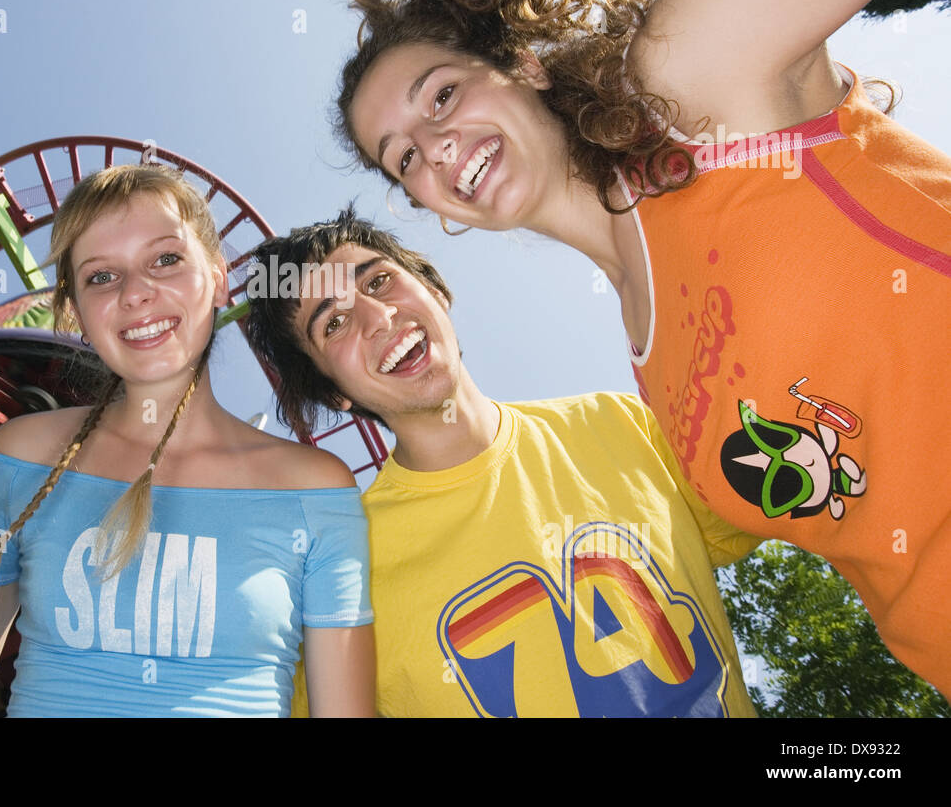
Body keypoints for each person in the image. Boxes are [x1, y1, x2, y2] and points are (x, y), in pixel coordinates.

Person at [332, 0, 951, 693]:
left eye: (440, 96)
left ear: (523, 64)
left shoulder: (695, 97)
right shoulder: (650, 376)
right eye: (402, 157)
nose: (433, 147)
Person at [0, 165, 374, 717]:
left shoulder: (315, 489)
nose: (137, 293)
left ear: (218, 279)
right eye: (102, 276)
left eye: (166, 260)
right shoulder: (21, 457)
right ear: (75, 311)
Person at [244, 208, 759, 717]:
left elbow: (802, 492)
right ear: (334, 394)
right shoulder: (338, 576)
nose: (378, 318)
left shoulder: (623, 426)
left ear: (435, 290)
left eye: (378, 281)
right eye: (334, 324)